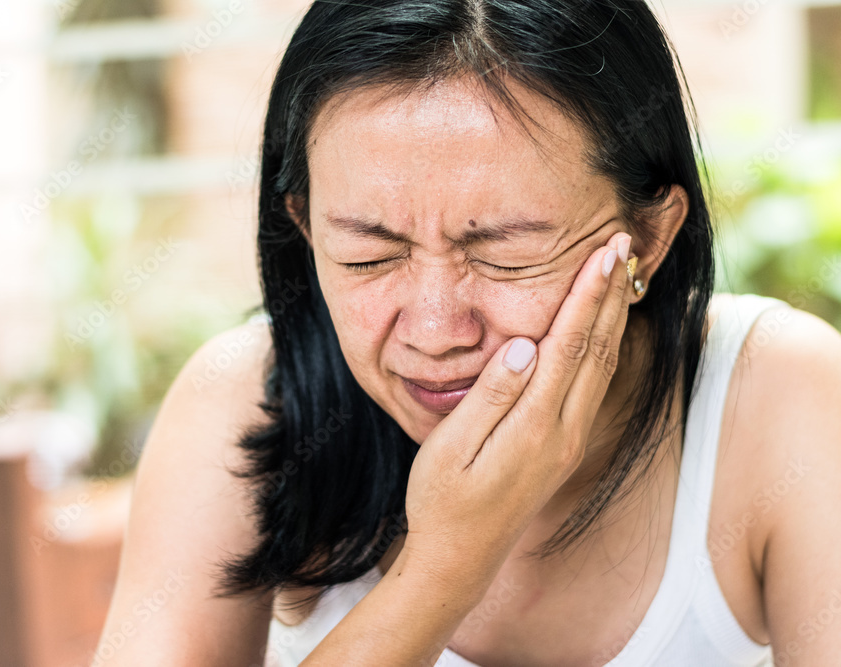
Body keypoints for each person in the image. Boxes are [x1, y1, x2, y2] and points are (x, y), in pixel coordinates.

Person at [93, 1, 841, 665]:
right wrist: (444, 567)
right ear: (306, 228)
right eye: (368, 254)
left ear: (647, 237)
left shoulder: (779, 397)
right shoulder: (239, 403)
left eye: (505, 255)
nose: (435, 330)